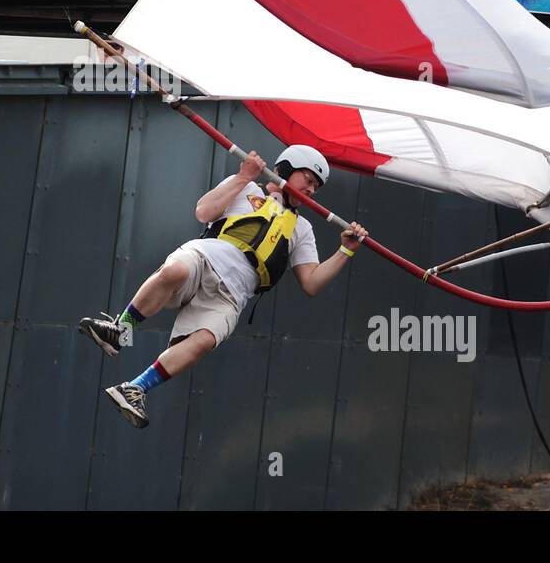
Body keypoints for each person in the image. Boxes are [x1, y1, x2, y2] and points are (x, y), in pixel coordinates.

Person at [79, 145, 369, 429]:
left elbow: (312, 283)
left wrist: (346, 250)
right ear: (286, 170)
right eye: (308, 179)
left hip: (233, 294)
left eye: (316, 186)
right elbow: (203, 212)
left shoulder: (302, 229)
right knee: (175, 270)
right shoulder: (246, 187)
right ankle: (121, 330)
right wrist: (243, 176)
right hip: (207, 255)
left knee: (204, 341)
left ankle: (135, 388)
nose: (312, 190)